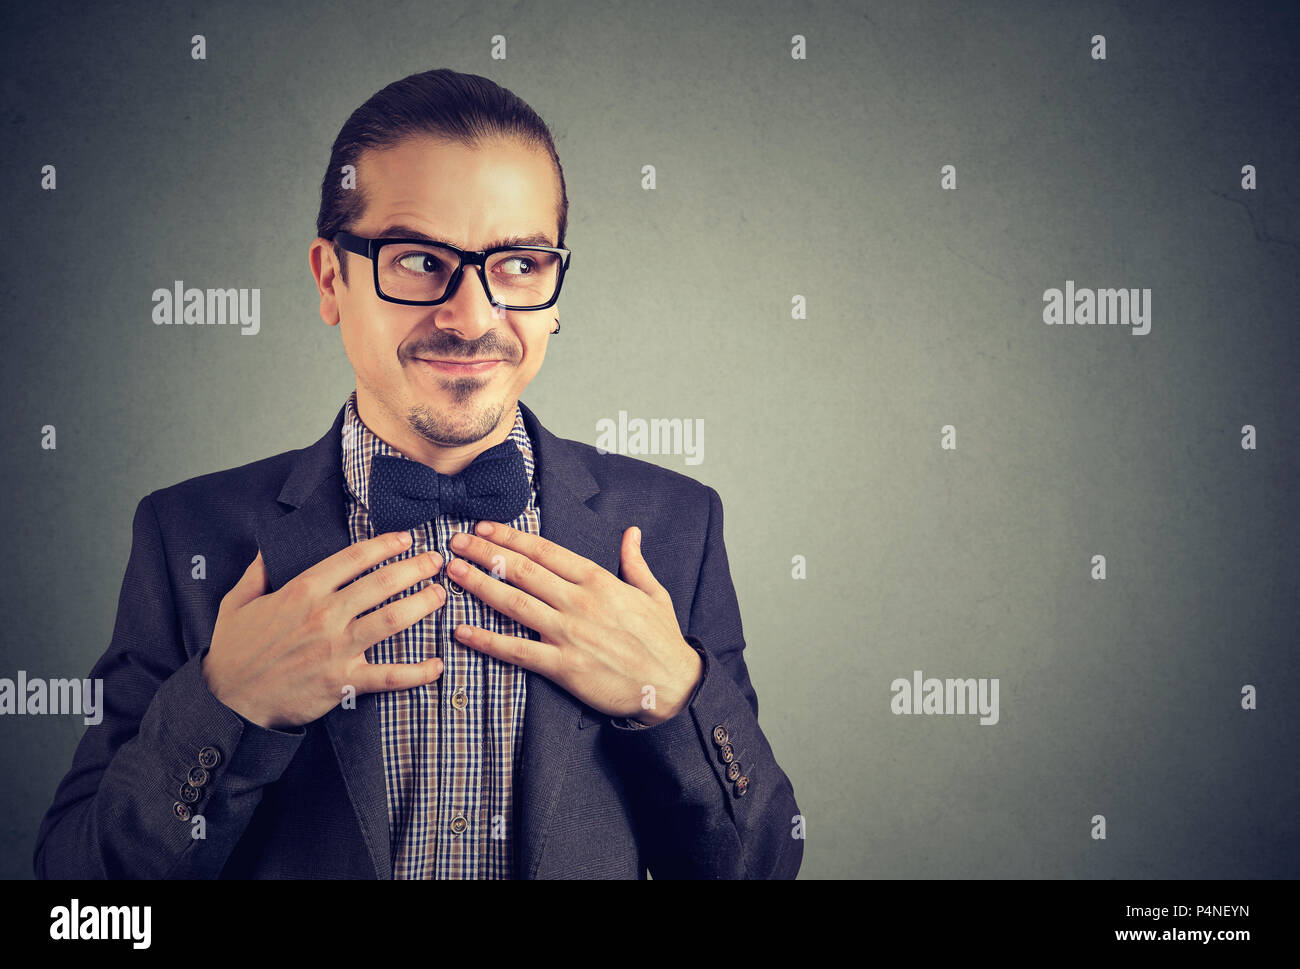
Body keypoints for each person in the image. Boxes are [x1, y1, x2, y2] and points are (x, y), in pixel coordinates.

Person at [33, 68, 803, 879]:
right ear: (332, 279)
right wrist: (226, 704)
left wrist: (674, 694)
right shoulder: (186, 535)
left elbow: (761, 867)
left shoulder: (677, 528)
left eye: (518, 264)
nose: (472, 317)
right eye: (416, 260)